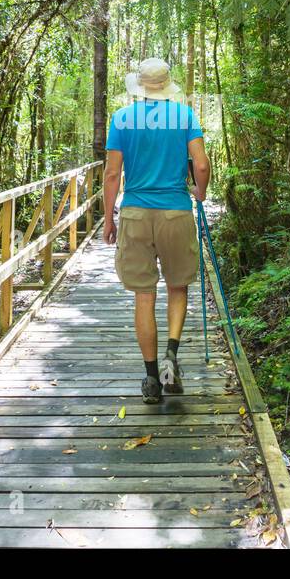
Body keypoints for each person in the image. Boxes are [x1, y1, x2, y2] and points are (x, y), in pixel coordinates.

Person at [102, 57, 210, 403]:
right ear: (166, 86)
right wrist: (200, 193)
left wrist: (109, 218)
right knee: (178, 287)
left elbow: (111, 174)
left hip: (135, 213)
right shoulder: (184, 116)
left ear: (140, 87)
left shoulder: (122, 118)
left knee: (144, 296)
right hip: (175, 212)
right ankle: (171, 357)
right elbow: (202, 164)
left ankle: (151, 379)